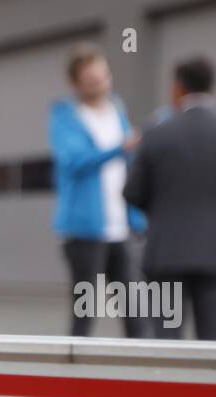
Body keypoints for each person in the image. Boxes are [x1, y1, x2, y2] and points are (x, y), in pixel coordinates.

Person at [123, 57, 216, 341]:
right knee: (214, 346)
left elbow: (132, 192)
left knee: (166, 343)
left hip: (166, 255)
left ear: (177, 88)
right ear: (211, 86)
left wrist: (163, 207)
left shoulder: (155, 134)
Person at [48, 44, 147, 337]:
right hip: (84, 230)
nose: (100, 85)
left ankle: (142, 376)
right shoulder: (64, 117)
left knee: (135, 311)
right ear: (76, 84)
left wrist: (138, 217)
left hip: (120, 226)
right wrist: (119, 148)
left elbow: (127, 162)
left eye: (103, 77)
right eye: (91, 81)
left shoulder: (117, 108)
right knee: (85, 311)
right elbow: (74, 161)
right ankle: (75, 377)